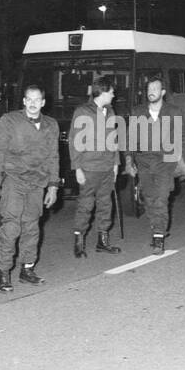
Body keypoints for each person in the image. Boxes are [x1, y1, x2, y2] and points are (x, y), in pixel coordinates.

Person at [0, 85, 60, 291]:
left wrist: (53, 186)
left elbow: (53, 156)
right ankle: (3, 271)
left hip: (37, 183)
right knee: (11, 227)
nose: (34, 103)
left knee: (31, 226)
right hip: (14, 180)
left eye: (38, 100)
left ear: (43, 102)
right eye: (30, 99)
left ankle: (27, 269)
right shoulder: (9, 121)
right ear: (24, 102)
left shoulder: (51, 125)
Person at [124, 77, 185, 254]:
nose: (151, 91)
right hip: (143, 162)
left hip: (165, 161)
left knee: (161, 197)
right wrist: (129, 160)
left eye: (155, 88)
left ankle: (159, 235)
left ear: (163, 92)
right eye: (149, 88)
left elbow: (181, 138)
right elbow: (130, 139)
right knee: (149, 198)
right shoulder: (137, 112)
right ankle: (155, 227)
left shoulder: (174, 112)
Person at [69, 78, 122, 257]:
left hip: (107, 166)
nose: (114, 95)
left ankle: (102, 241)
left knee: (105, 204)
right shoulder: (82, 111)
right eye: (112, 92)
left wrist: (116, 163)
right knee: (85, 204)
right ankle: (79, 242)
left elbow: (114, 139)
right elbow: (75, 140)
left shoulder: (111, 111)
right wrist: (77, 168)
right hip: (89, 167)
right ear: (103, 92)